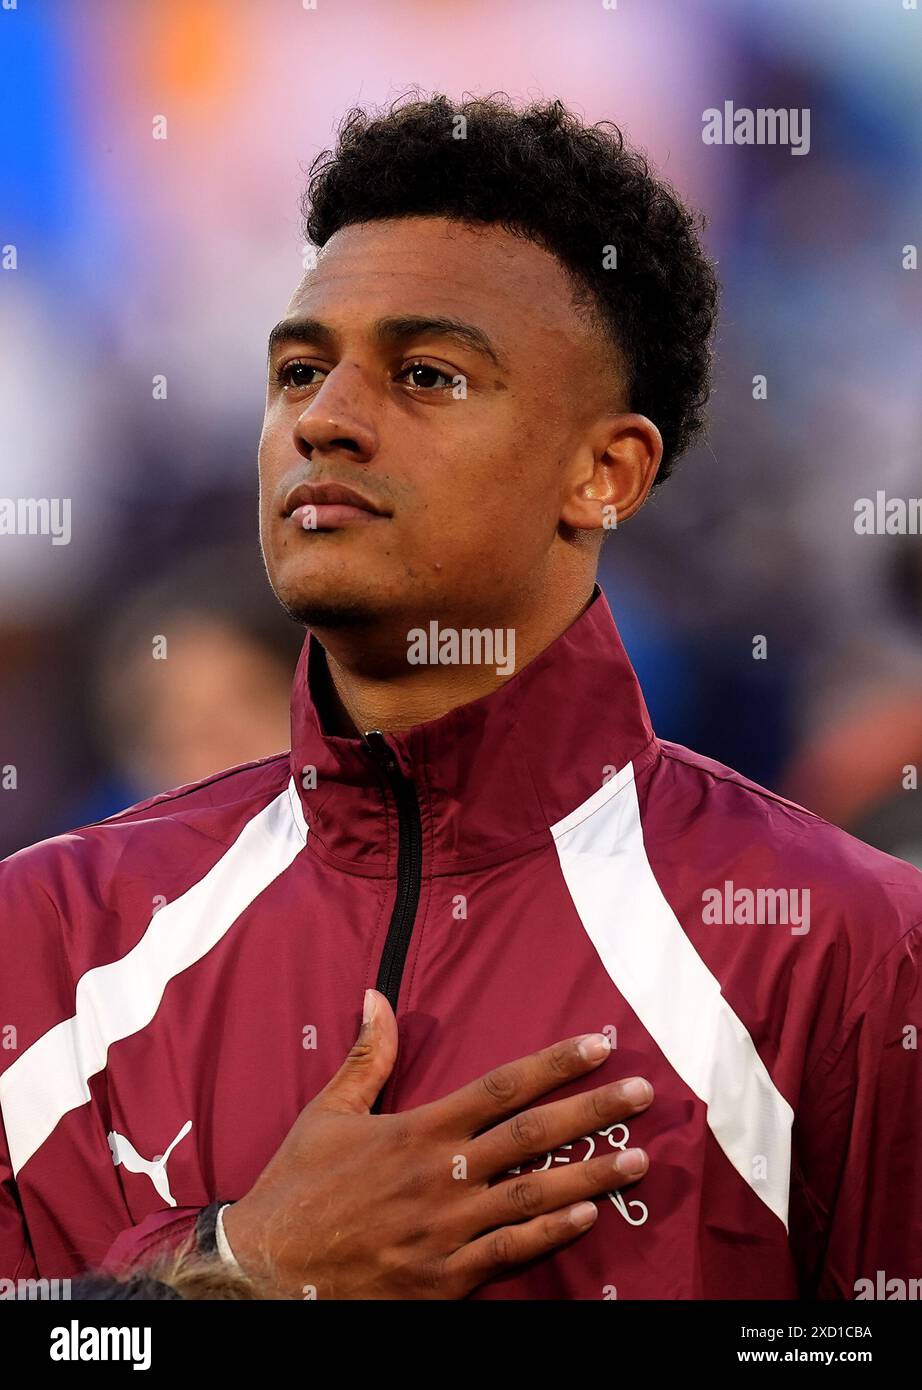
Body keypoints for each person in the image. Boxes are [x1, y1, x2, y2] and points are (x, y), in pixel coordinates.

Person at [1, 93, 920, 1301]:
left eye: (426, 374)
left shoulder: (847, 945)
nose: (323, 420)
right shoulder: (51, 937)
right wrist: (234, 1272)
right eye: (298, 371)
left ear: (606, 470)